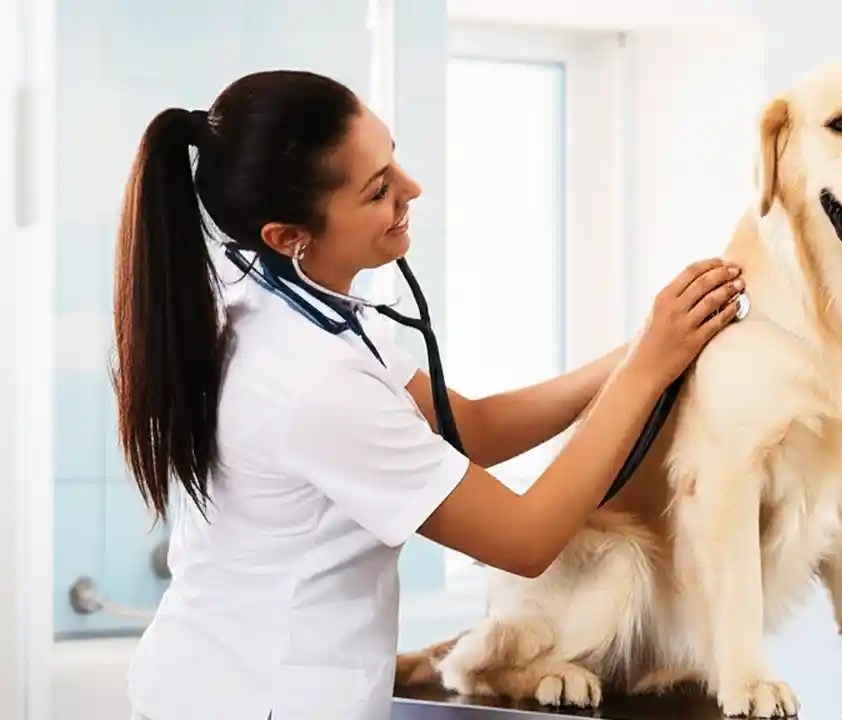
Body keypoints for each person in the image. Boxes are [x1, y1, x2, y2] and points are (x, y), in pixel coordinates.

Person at [114, 69, 745, 720]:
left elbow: (467, 427)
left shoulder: (296, 315)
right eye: (379, 189)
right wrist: (645, 373)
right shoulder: (313, 384)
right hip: (257, 699)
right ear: (286, 235)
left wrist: (645, 349)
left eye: (393, 159)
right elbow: (525, 540)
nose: (411, 189)